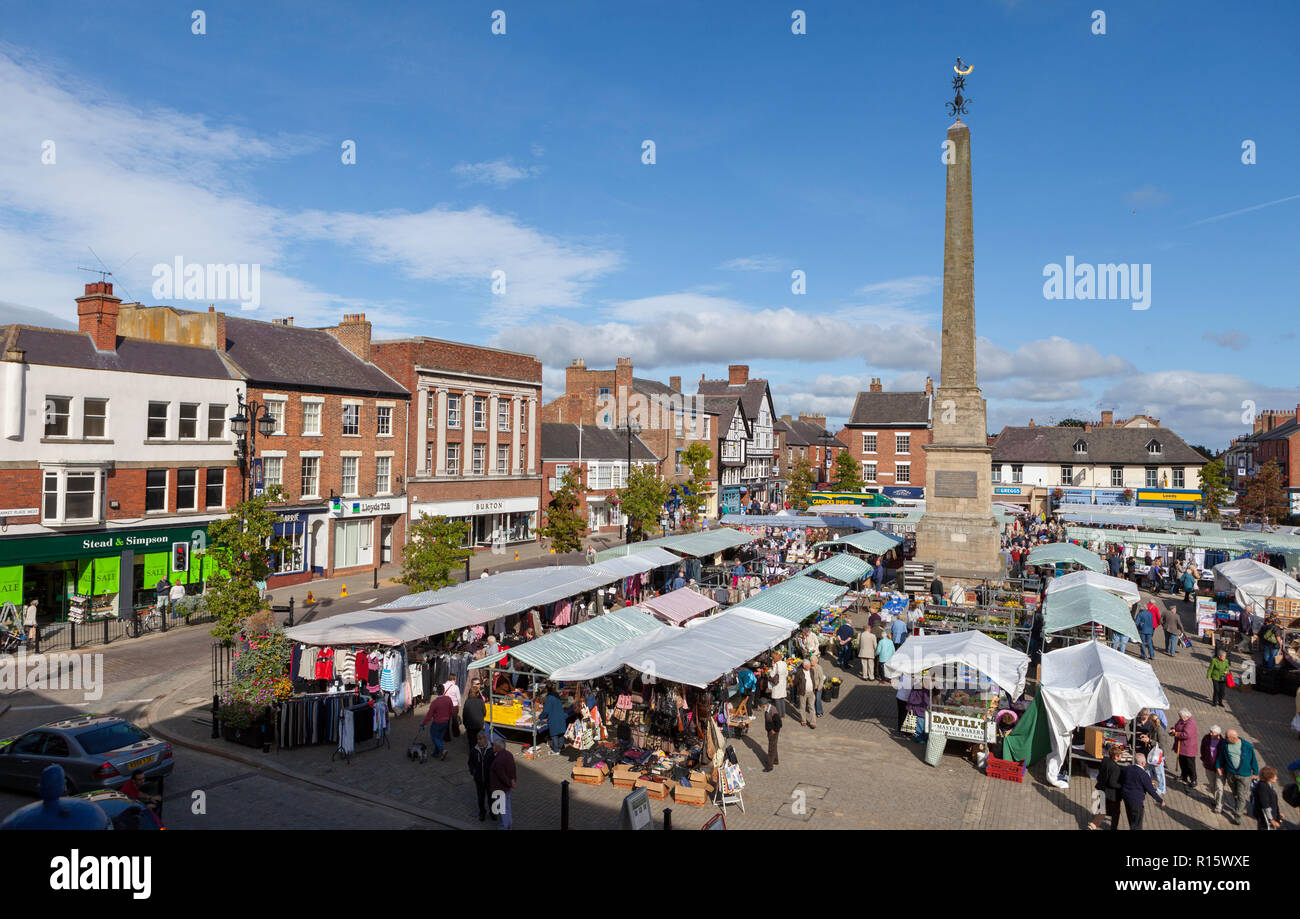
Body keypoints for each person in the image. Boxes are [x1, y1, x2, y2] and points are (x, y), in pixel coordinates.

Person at [1213, 728, 1259, 823]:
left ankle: (1238, 815)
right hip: (1231, 774)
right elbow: (1220, 756)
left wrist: (1255, 772)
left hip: (1245, 775)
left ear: (1233, 738)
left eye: (1227, 737)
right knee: (1235, 794)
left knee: (1241, 795)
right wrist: (1218, 766)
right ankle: (1237, 805)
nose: (1225, 738)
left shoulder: (1247, 746)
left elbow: (1253, 760)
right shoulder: (1225, 745)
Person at [1120, 753, 1165, 830]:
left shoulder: (1127, 768)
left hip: (1126, 798)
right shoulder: (1144, 775)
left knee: (1131, 819)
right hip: (1136, 801)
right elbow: (1151, 791)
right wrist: (1160, 800)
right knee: (1137, 824)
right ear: (1143, 763)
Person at [488, 735, 517, 829]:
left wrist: (509, 782)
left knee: (502, 809)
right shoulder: (509, 754)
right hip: (507, 787)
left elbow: (502, 776)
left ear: (498, 747)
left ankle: (504, 826)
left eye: (494, 746)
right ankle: (509, 824)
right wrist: (513, 781)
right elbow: (513, 769)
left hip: (499, 788)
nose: (493, 747)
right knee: (507, 807)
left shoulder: (499, 760)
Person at [1095, 743, 1125, 830]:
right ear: (1116, 757)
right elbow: (1112, 783)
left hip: (1102, 788)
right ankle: (1113, 827)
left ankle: (1095, 823)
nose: (1121, 757)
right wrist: (1121, 786)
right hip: (1111, 794)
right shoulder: (1116, 768)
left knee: (1102, 807)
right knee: (1116, 812)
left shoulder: (1105, 761)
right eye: (1120, 756)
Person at [421, 686, 455, 760]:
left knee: (434, 736)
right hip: (445, 722)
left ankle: (442, 750)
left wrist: (423, 723)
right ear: (444, 691)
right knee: (439, 738)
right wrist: (449, 717)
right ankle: (436, 753)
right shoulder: (448, 699)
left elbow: (429, 715)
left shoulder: (435, 702)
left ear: (436, 692)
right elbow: (452, 710)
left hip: (437, 722)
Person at [468, 730, 495, 821]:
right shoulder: (474, 750)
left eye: (480, 739)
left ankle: (493, 812)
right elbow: (470, 763)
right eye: (477, 739)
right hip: (479, 780)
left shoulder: (492, 749)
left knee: (491, 797)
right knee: (481, 798)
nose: (478, 741)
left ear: (485, 739)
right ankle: (482, 812)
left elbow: (497, 763)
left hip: (490, 779)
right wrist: (473, 772)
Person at [1171, 709, 1199, 789]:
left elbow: (1186, 734)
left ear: (1186, 716)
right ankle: (1184, 775)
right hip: (1181, 747)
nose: (1179, 718)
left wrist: (1175, 733)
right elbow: (1177, 726)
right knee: (1182, 762)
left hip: (1188, 748)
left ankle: (1193, 779)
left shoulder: (1191, 723)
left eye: (1181, 716)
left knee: (1190, 765)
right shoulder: (1182, 720)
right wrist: (1173, 729)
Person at [1255, 766, 1282, 830]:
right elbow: (1265, 805)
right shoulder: (1263, 788)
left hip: (1272, 815)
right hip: (1266, 820)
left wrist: (1278, 813)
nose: (1277, 778)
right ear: (1269, 777)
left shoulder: (1268, 785)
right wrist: (1271, 820)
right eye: (1275, 776)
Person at [541, 686, 567, 754]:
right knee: (561, 732)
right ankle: (561, 747)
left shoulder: (549, 697)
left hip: (553, 717)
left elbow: (546, 710)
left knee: (554, 733)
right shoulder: (556, 694)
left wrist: (541, 717)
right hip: (560, 715)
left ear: (547, 689)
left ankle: (556, 750)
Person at [462, 680, 486, 748]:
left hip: (469, 725)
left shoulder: (467, 702)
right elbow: (484, 713)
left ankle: (472, 753)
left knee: (471, 741)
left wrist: (465, 723)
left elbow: (464, 714)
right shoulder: (481, 702)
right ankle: (477, 752)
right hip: (479, 725)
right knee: (478, 739)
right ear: (478, 693)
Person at [795, 660, 817, 729]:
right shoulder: (799, 672)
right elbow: (796, 681)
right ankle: (803, 720)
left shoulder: (811, 671)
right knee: (802, 707)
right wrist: (799, 688)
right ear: (804, 666)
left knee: (812, 707)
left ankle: (813, 722)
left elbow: (813, 679)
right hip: (803, 692)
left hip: (811, 692)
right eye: (808, 666)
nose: (809, 667)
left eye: (809, 665)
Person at [762, 696, 782, 771]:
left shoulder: (773, 711)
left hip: (773, 731)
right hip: (770, 730)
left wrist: (774, 730)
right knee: (774, 746)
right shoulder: (768, 709)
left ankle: (769, 766)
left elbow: (779, 723)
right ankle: (775, 760)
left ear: (766, 704)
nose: (762, 708)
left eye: (762, 706)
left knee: (771, 748)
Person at [768, 651, 789, 718]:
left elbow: (772, 674)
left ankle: (779, 714)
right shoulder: (784, 663)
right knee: (782, 698)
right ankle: (783, 713)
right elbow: (786, 674)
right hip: (783, 682)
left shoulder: (776, 665)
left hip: (777, 683)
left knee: (777, 698)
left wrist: (770, 670)